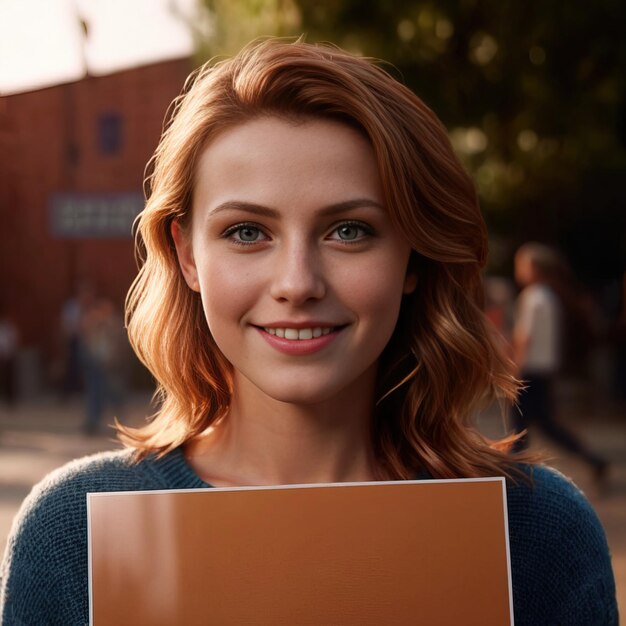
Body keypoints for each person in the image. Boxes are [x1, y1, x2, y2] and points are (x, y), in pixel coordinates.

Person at [0, 40, 617, 625]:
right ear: (187, 255)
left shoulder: (539, 530)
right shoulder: (69, 532)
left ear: (415, 257)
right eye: (247, 232)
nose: (297, 283)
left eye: (349, 230)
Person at [510, 242, 609, 482]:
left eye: (521, 264)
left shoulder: (533, 296)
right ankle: (592, 460)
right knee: (537, 423)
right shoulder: (551, 296)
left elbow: (525, 336)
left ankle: (513, 472)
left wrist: (514, 367)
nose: (518, 269)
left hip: (528, 370)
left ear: (533, 268)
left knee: (523, 425)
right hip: (544, 369)